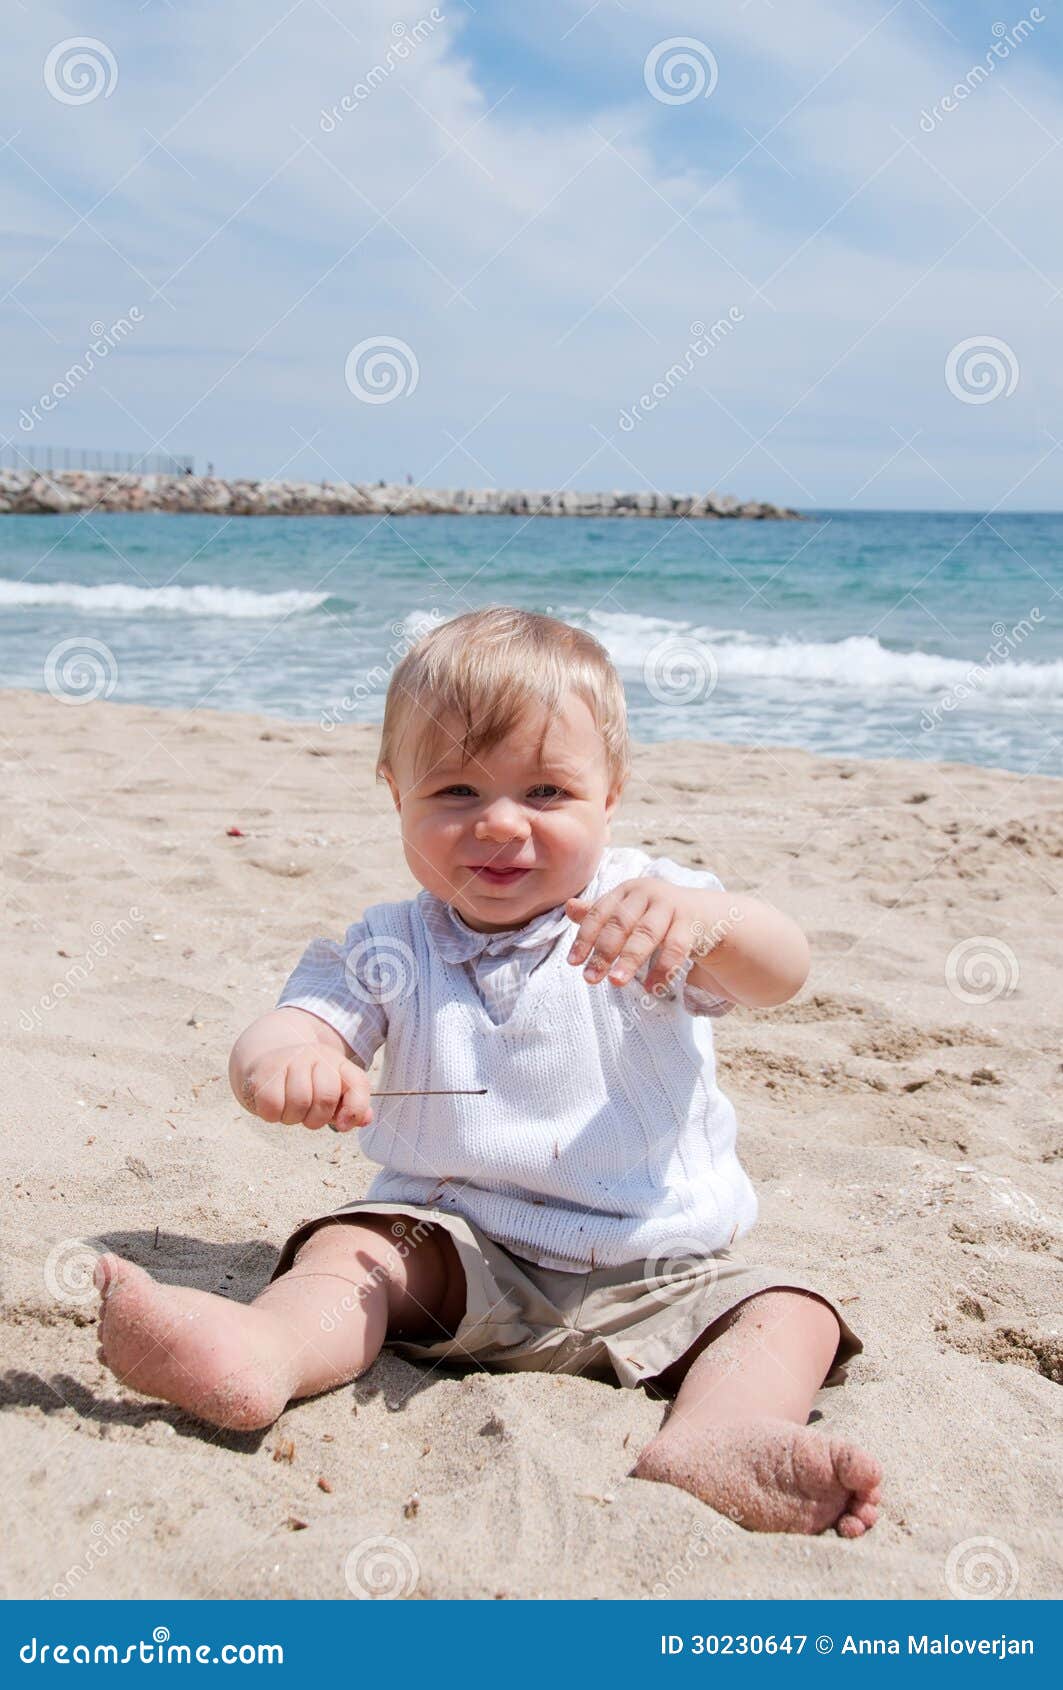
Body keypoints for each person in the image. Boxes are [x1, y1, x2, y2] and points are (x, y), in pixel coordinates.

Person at [93, 608, 881, 1537]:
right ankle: (258, 1352)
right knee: (349, 1254)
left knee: (791, 1311)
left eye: (546, 792)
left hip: (657, 1268)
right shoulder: (389, 945)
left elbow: (780, 973)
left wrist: (710, 919)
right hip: (455, 1255)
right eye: (457, 791)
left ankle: (720, 1434)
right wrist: (291, 1064)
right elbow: (289, 1028)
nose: (500, 825)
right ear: (397, 797)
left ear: (610, 795)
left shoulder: (650, 908)